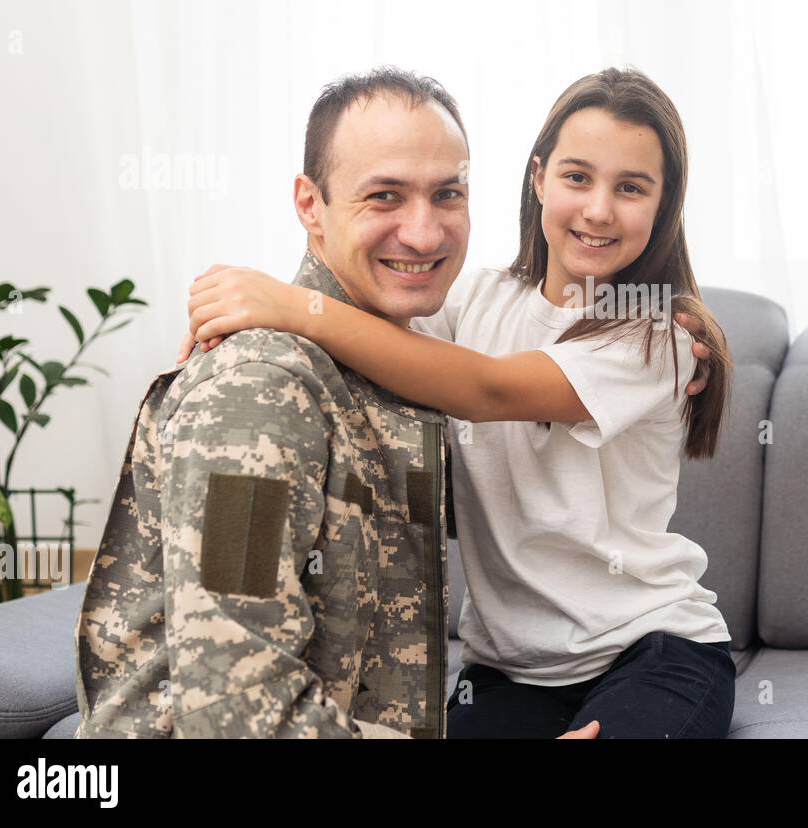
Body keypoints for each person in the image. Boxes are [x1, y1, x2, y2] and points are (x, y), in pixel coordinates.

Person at [180, 68, 737, 738]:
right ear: (538, 179)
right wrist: (239, 310)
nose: (598, 209)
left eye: (631, 188)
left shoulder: (658, 338)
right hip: (508, 670)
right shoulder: (475, 299)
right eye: (578, 177)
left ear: (665, 204)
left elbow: (483, 389)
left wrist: (290, 305)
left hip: (654, 649)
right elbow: (375, 324)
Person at [76, 68, 600, 739]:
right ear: (309, 203)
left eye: (448, 195)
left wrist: (670, 325)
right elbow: (240, 716)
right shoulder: (261, 392)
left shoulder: (404, 363)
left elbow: (507, 377)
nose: (424, 234)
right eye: (384, 196)